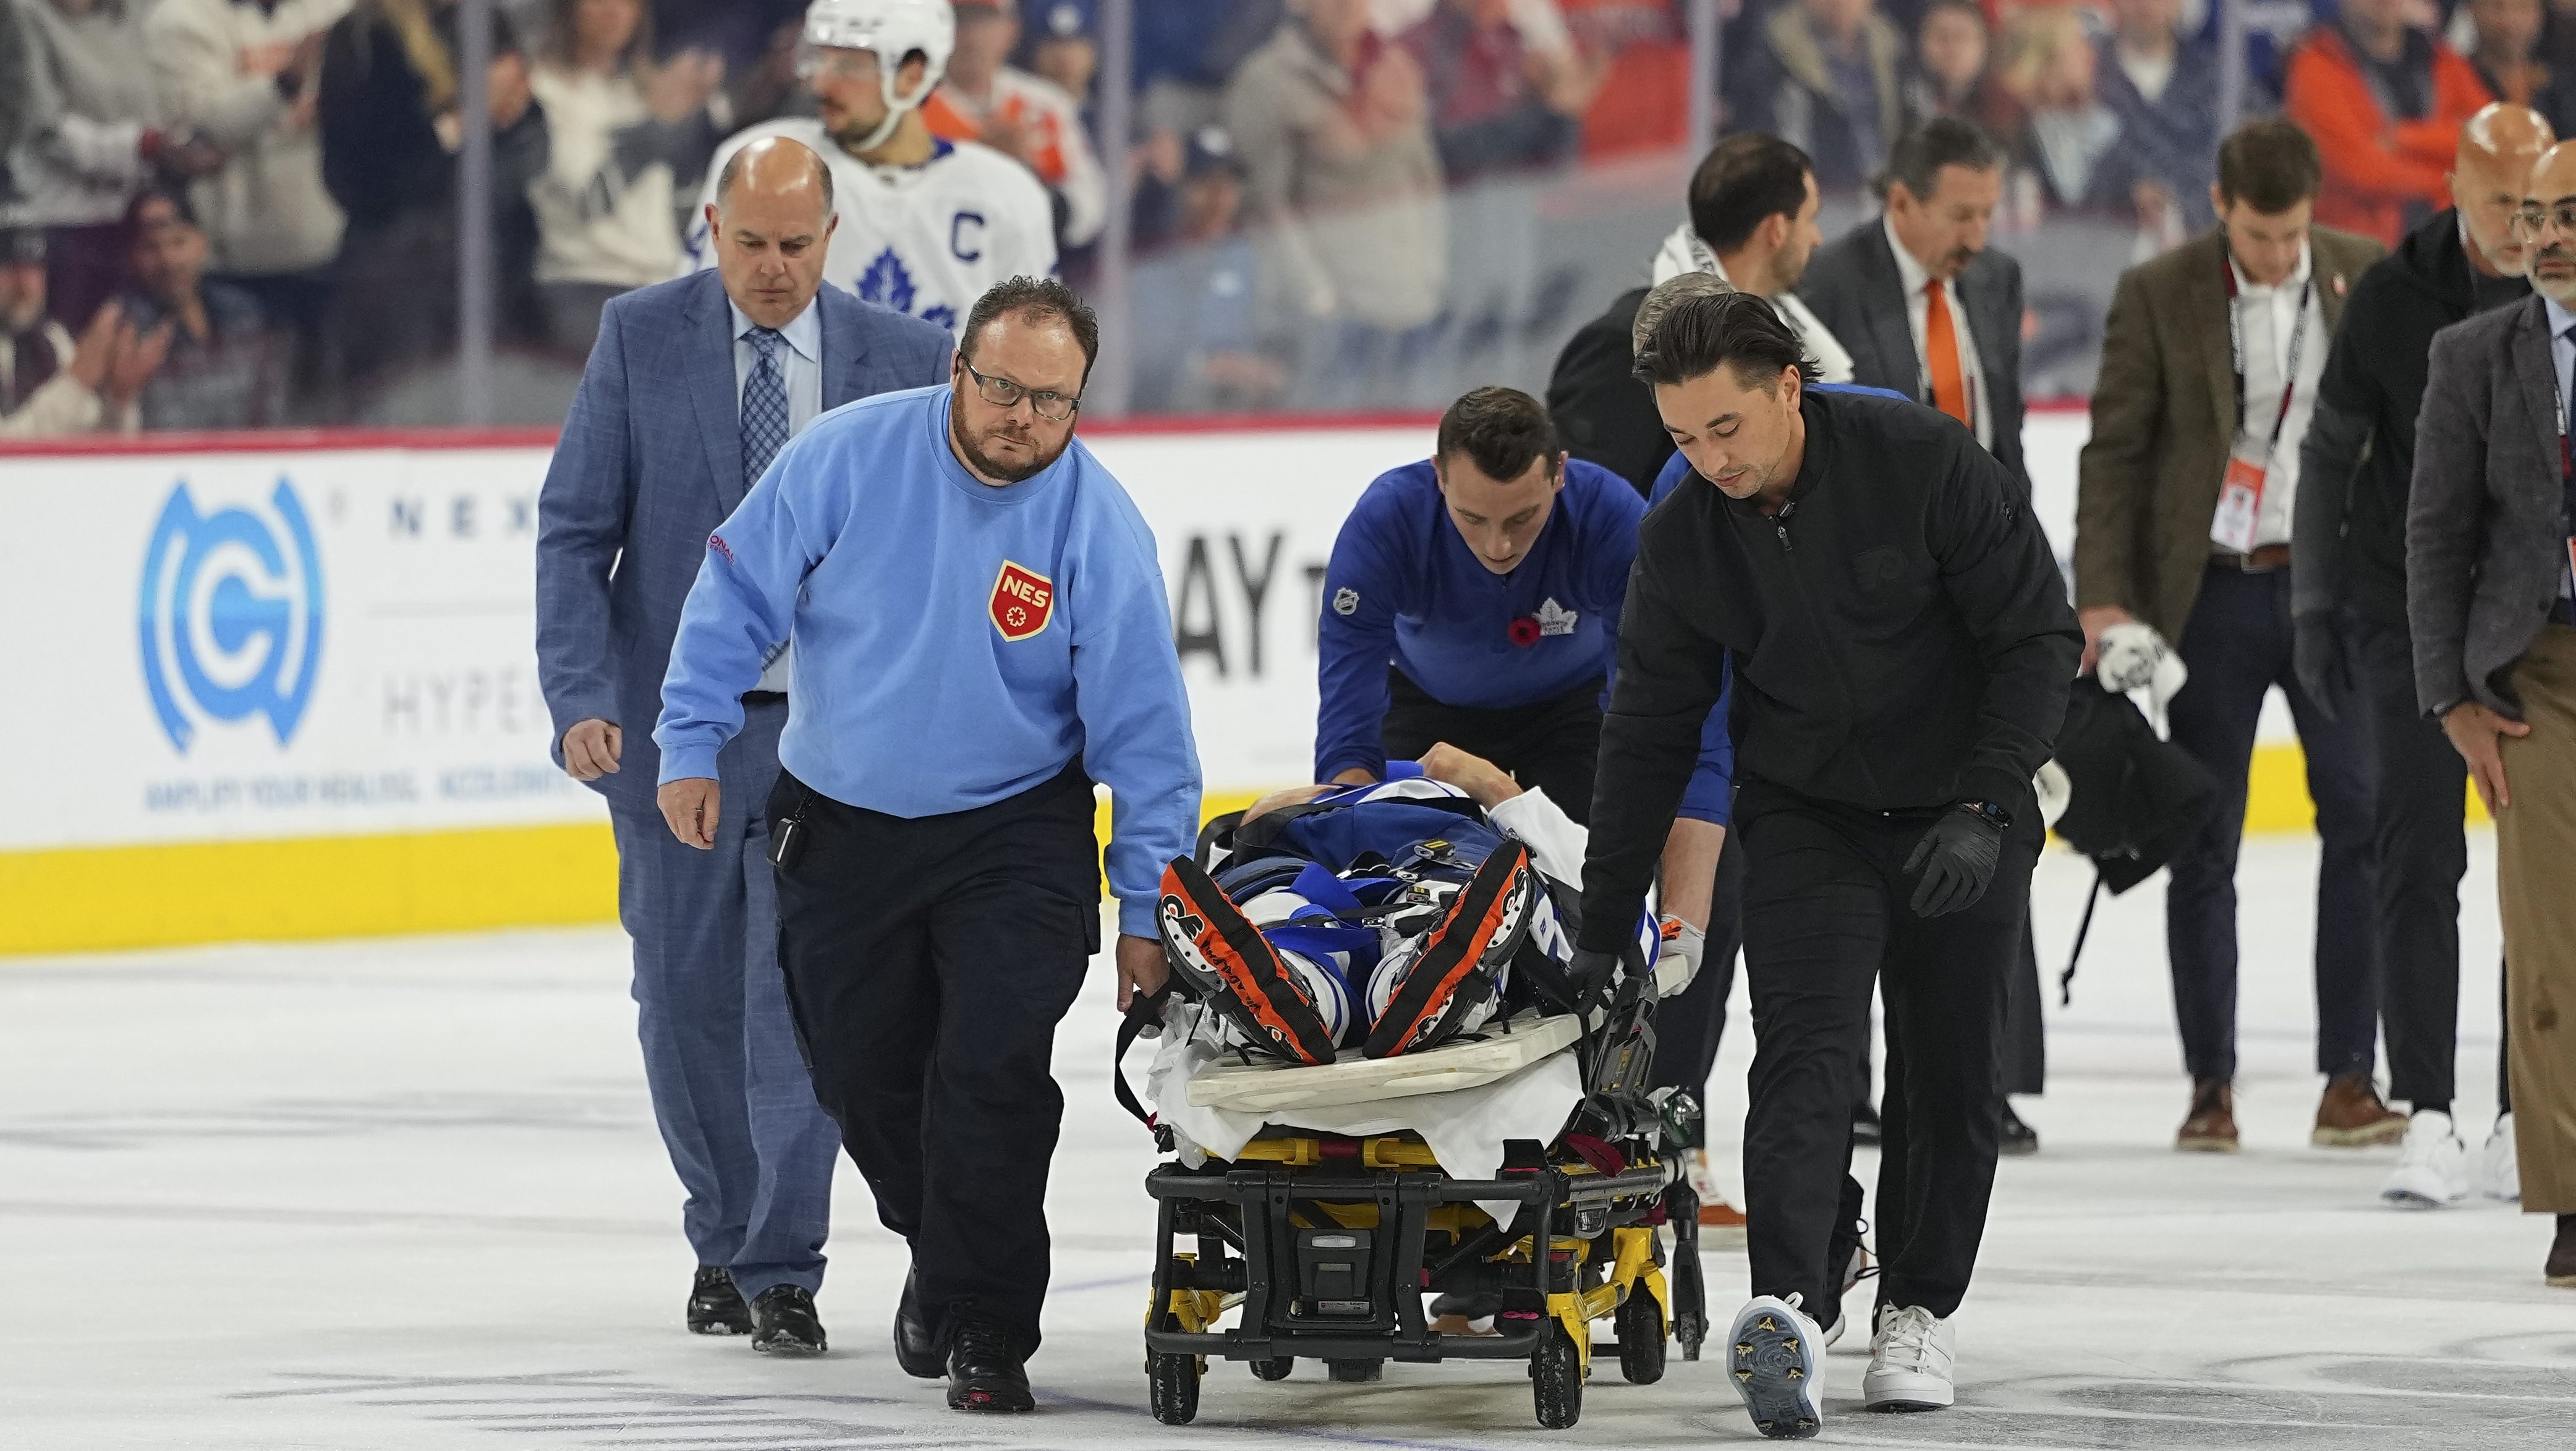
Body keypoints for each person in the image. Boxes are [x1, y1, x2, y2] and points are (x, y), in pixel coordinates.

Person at [653, 275, 1201, 1411]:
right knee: (863, 1076)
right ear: (958, 371)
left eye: (1054, 402)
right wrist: (690, 740)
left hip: (1015, 831)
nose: (1025, 420)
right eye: (1004, 389)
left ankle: (990, 1327)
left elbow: (1147, 739)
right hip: (843, 825)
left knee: (989, 1072)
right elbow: (735, 592)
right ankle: (945, 1258)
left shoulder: (1098, 527)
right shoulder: (845, 457)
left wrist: (1149, 911)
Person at [1579, 288, 2078, 1429]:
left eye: (1726, 429)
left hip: (1964, 803)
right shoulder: (1686, 534)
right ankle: (1791, 1309)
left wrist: (1989, 806)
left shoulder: (1920, 459)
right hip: (1808, 813)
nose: (1708, 460)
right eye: (1681, 438)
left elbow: (2038, 637)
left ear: (1787, 388)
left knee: (1949, 1068)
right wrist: (1609, 917)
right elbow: (1648, 733)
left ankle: (1917, 1304)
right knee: (1803, 1055)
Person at [537, 138, 954, 1358]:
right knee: (680, 1001)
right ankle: (721, 1233)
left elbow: (937, 554)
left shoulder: (907, 359)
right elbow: (573, 531)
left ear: (834, 238)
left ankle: (781, 1263)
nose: (771, 271)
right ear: (709, 226)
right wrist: (578, 695)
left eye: (795, 247)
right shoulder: (637, 337)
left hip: (839, 743)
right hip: (676, 732)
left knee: (801, 1003)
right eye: (748, 244)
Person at [2075, 117, 2396, 1154]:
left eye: (2292, 233)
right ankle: (2209, 1083)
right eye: (2259, 236)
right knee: (2203, 837)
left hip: (2329, 595)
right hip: (2208, 594)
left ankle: (2350, 1075)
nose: (2277, 253)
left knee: (2357, 819)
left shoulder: (2359, 274)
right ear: (2220, 206)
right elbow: (2113, 451)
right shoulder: (2159, 290)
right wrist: (2101, 596)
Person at [2297, 103, 2551, 1206]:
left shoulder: (2563, 294)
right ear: (2452, 185)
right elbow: (2327, 450)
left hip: (2536, 633)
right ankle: (2432, 1108)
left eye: (2533, 201)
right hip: (2404, 614)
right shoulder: (2393, 300)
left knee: (2538, 884)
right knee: (2414, 859)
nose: (2517, 224)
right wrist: (2311, 599)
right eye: (2498, 200)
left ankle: (2517, 1110)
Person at [2409, 137, 2576, 1288]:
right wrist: (2451, 697)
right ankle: (2572, 1194)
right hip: (2537, 679)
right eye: (2532, 216)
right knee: (2553, 945)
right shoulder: (2471, 355)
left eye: (2566, 214)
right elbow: (2433, 535)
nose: (2545, 235)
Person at [686, 0, 1055, 335]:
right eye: (820, 60)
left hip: (943, 409)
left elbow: (1036, 351)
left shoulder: (1008, 194)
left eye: (849, 65)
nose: (822, 83)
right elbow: (696, 318)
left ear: (912, 75)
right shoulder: (764, 163)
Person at [1551, 132, 1851, 494]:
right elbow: (1588, 501)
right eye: (1810, 218)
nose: (1817, 238)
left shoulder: (1785, 326)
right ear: (1777, 230)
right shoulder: (1626, 341)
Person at [316, 0, 550, 412]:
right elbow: (358, 177)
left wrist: (512, 114)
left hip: (495, 267)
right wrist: (462, 120)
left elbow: (529, 139)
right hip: (395, 273)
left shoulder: (482, 19)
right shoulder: (363, 39)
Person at [1226, 0, 1446, 407]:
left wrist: (1432, 270)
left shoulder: (1394, 68)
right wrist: (1316, 296)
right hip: (1334, 319)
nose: (1347, 7)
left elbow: (1425, 178)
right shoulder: (1269, 80)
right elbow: (1267, 204)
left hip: (1412, 303)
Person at [1800, 117, 2030, 493]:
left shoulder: (1999, 278)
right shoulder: (1826, 287)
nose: (1976, 239)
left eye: (1987, 214)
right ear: (1901, 202)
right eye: (1960, 216)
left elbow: (2009, 424)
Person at [143, 0, 346, 417]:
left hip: (328, 251)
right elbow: (199, 125)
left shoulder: (333, 8)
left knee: (331, 410)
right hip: (236, 270)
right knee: (248, 417)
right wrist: (284, 84)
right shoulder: (180, 18)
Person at [526, 0, 726, 356]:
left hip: (666, 282)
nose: (614, 10)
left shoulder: (641, 89)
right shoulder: (544, 90)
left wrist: (693, 127)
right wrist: (658, 126)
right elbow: (590, 203)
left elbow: (687, 213)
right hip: (586, 285)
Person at [2282, 0, 2492, 248]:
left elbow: (2491, 139)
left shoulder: (2441, 58)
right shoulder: (2315, 67)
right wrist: (2450, 179)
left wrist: (2405, 138)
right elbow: (2364, 172)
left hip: (2448, 246)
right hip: (2357, 255)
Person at [922, 0, 1108, 252]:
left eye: (984, 18)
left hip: (1029, 272)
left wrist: (1023, 176)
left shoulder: (1046, 104)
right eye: (960, 17)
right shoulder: (910, 105)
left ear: (1012, 29)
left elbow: (1089, 208)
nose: (971, 34)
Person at [112, 185, 288, 430]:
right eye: (151, 248)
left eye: (178, 242)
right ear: (132, 258)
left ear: (202, 244)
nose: (169, 261)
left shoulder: (243, 315)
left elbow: (271, 405)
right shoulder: (124, 331)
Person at [1728, 0, 1908, 198]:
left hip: (1883, 194)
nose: (1841, 4)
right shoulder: (1773, 52)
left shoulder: (1892, 49)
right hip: (1812, 197)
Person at [1, 224, 165, 435]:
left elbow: (88, 439)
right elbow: (7, 450)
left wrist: (119, 401)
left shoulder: (53, 339)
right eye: (8, 269)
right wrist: (76, 382)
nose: (24, 285)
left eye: (34, 270)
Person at [2095, 0, 2221, 237]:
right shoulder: (2084, 75)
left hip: (2197, 250)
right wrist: (2126, 194)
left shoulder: (2219, 80)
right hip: (2097, 249)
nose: (2147, 4)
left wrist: (2179, 200)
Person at [2467, 0, 2576, 138]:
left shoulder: (2561, 83)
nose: (2510, 21)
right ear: (2473, 9)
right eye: (2496, 7)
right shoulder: (2454, 75)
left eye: (2522, 8)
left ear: (2540, 13)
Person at [1902, 0, 1993, 124]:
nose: (1952, 48)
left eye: (1962, 37)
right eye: (1941, 35)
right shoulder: (1895, 101)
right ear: (1921, 43)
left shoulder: (2005, 110)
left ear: (1984, 46)